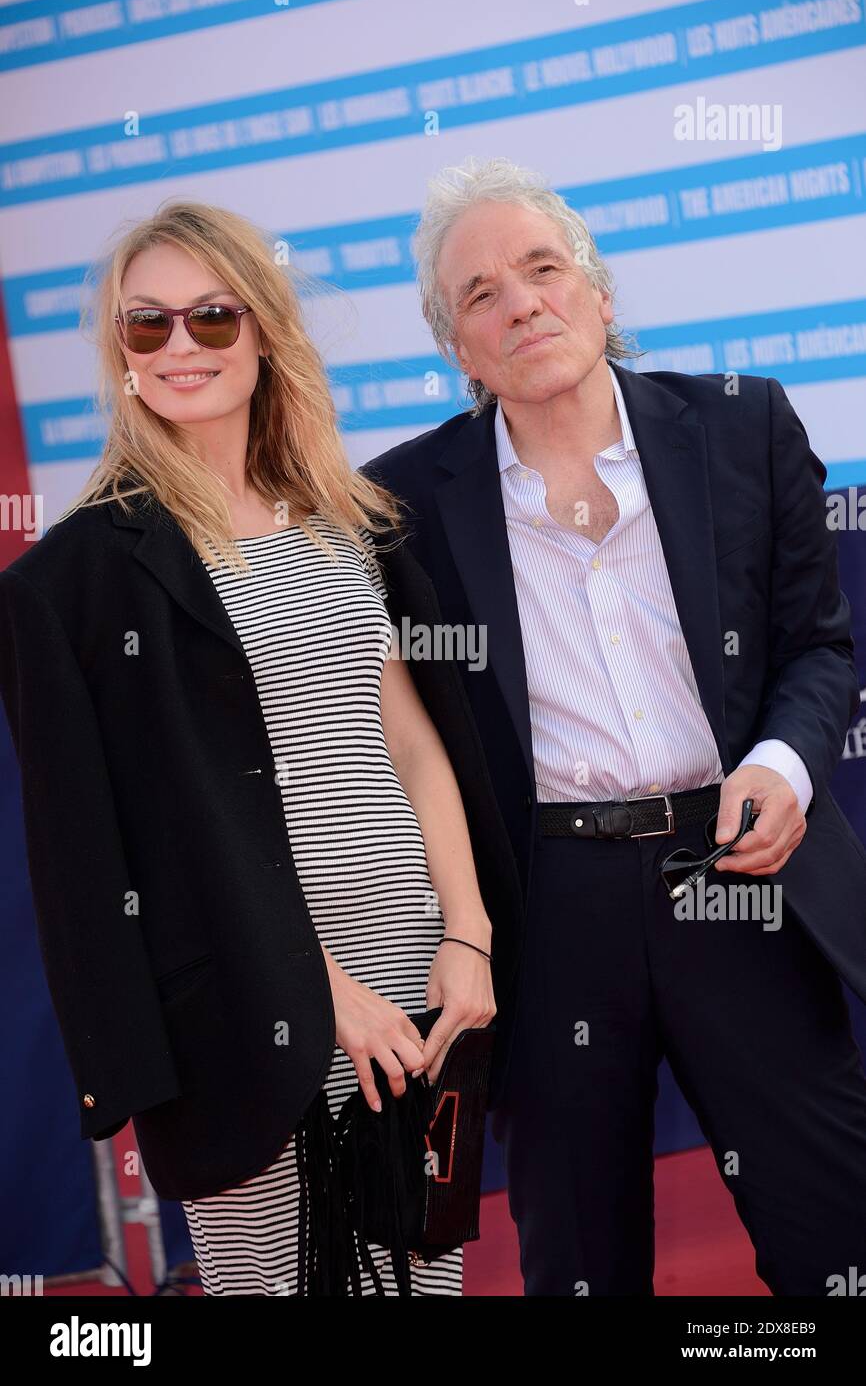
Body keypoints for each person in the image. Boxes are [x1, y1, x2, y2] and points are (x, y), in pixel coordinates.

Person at [361, 156, 866, 1296]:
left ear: (597, 296)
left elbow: (816, 646)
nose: (520, 302)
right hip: (551, 910)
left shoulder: (740, 427)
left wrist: (783, 764)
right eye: (479, 293)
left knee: (835, 1237)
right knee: (579, 1263)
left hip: (736, 871)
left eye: (542, 269)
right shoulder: (395, 508)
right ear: (458, 347)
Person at [0, 199, 523, 1295]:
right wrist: (315, 986)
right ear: (120, 353)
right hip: (245, 1009)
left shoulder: (352, 522)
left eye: (210, 316)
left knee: (419, 1284)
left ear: (264, 331)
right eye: (148, 326)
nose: (180, 346)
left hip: (415, 976)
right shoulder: (82, 581)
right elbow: (143, 846)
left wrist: (468, 938)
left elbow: (415, 747)